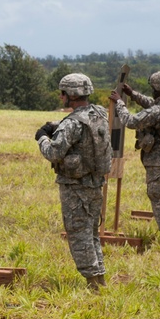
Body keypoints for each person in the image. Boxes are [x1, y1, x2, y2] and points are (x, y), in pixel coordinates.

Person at [35, 73, 111, 290]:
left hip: (75, 186)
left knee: (78, 234)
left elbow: (53, 153)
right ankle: (99, 277)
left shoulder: (71, 124)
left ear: (71, 94)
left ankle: (93, 284)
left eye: (63, 93)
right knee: (91, 232)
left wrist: (42, 137)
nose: (61, 97)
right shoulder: (99, 113)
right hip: (95, 182)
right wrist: (57, 125)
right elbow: (81, 126)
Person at [109, 71, 160, 245]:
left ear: (156, 89)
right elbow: (152, 104)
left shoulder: (158, 111)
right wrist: (133, 95)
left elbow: (131, 121)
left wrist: (120, 104)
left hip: (158, 162)